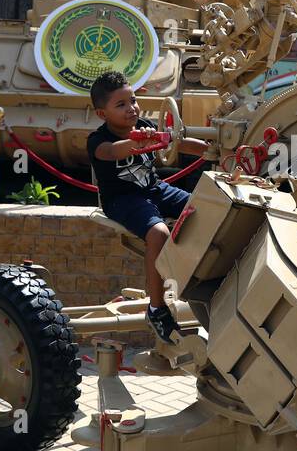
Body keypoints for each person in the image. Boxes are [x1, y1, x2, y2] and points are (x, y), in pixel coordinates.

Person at [87, 70, 209, 342]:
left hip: (155, 190)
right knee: (158, 234)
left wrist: (211, 148)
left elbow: (175, 141)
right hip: (123, 200)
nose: (131, 108)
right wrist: (138, 141)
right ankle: (157, 309)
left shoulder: (144, 125)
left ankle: (203, 281)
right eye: (121, 105)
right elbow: (113, 152)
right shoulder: (98, 140)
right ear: (101, 114)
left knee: (206, 209)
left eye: (132, 100)